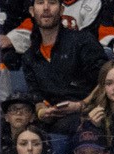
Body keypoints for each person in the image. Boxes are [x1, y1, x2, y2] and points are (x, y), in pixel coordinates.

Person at [21, 0, 107, 135]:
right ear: (32, 11)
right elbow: (36, 97)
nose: (46, 8)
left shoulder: (83, 41)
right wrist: (42, 112)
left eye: (52, 2)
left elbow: (106, 78)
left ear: (61, 10)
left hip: (87, 116)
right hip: (51, 123)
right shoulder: (29, 57)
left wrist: (81, 105)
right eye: (40, 2)